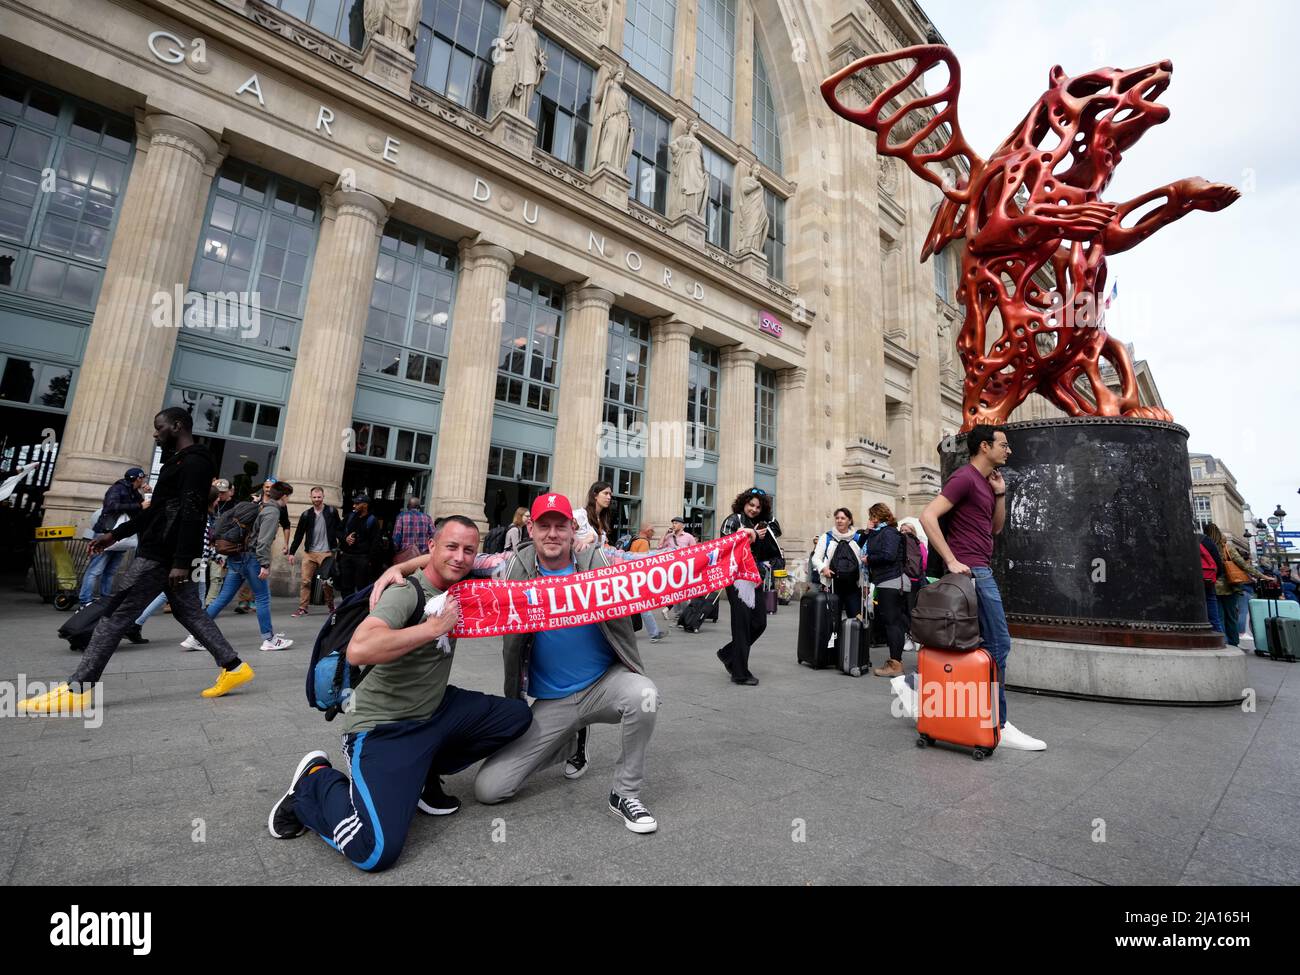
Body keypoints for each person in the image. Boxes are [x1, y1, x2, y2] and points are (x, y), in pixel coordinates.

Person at [268, 516, 533, 872]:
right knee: (374, 851)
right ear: (432, 547)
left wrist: (583, 543)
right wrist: (432, 629)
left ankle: (422, 774)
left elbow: (509, 563)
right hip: (382, 726)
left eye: (468, 550)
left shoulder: (464, 580)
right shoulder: (406, 591)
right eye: (450, 547)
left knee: (517, 716)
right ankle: (313, 782)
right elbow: (360, 649)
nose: (459, 557)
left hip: (435, 711)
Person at [19, 408, 254, 713]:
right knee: (190, 614)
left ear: (177, 426)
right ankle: (234, 668)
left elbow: (192, 512)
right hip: (165, 552)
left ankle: (78, 689)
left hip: (161, 556)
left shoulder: (195, 461)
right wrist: (115, 535)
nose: (156, 434)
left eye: (160, 428)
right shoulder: (182, 461)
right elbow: (156, 511)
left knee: (114, 615)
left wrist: (181, 561)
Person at [472, 493, 662, 833]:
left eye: (561, 526)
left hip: (604, 685)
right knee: (490, 789)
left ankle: (625, 793)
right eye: (544, 526)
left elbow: (657, 562)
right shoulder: (514, 566)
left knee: (644, 696)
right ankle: (571, 739)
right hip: (553, 701)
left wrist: (737, 543)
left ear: (573, 528)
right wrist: (400, 568)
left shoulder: (600, 560)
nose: (552, 534)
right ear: (531, 527)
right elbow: (461, 558)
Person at [920, 425, 1045, 751]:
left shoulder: (987, 483)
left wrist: (1000, 494)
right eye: (1003, 445)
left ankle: (982, 717)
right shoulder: (963, 477)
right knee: (999, 643)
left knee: (975, 645)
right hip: (972, 571)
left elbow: (996, 528)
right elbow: (928, 516)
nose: (1009, 450)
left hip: (981, 568)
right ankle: (998, 723)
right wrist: (950, 560)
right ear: (985, 446)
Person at [185, 482, 294, 652]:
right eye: (289, 497)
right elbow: (263, 542)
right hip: (252, 559)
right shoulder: (273, 511)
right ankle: (269, 639)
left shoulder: (260, 506)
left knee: (222, 598)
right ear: (284, 496)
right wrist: (264, 564)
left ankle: (196, 636)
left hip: (236, 557)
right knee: (263, 598)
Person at [717, 488, 782, 686]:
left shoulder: (761, 524)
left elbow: (776, 532)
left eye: (758, 506)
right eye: (750, 505)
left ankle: (729, 653)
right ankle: (740, 672)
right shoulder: (733, 519)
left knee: (759, 622)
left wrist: (761, 526)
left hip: (753, 577)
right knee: (742, 625)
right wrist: (749, 533)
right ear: (743, 503)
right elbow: (726, 543)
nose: (753, 509)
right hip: (736, 579)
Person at [79, 467, 148, 606]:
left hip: (120, 536)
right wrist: (138, 506)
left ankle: (105, 599)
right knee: (95, 569)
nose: (144, 480)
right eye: (143, 478)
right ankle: (85, 600)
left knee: (110, 570)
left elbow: (143, 508)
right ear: (138, 478)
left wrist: (146, 494)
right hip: (107, 531)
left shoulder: (134, 492)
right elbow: (111, 506)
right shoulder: (117, 489)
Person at [862, 503, 910, 677]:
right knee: (893, 623)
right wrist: (867, 533)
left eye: (871, 516)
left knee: (893, 624)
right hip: (887, 581)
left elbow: (888, 555)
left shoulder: (889, 532)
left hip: (892, 581)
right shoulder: (880, 532)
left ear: (877, 516)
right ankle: (896, 662)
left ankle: (895, 664)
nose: (869, 520)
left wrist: (869, 559)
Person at [1206, 522, 1264, 648]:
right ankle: (1233, 642)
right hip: (1229, 586)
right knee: (1231, 616)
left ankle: (1224, 641)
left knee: (1219, 617)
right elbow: (1243, 565)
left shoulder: (1206, 548)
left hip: (1213, 586)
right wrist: (1262, 576)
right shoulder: (1227, 548)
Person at [289, 486, 340, 617]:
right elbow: (299, 535)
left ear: (323, 497)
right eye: (314, 497)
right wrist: (292, 552)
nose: (317, 499)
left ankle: (330, 605)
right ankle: (303, 607)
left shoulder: (331, 511)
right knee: (305, 581)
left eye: (319, 497)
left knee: (326, 582)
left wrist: (343, 543)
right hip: (310, 552)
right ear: (310, 497)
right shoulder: (306, 514)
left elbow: (339, 529)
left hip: (327, 552)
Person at [811, 507, 864, 620]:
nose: (839, 520)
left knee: (856, 618)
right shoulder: (826, 537)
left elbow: (863, 562)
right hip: (832, 584)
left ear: (849, 521)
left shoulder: (858, 538)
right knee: (832, 619)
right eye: (837, 518)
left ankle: (853, 637)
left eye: (843, 518)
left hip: (853, 585)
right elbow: (816, 559)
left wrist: (865, 585)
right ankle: (833, 638)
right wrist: (823, 569)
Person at [337, 494, 381, 599]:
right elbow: (338, 531)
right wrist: (345, 538)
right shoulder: (350, 516)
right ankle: (346, 607)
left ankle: (358, 609)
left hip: (362, 558)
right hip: (347, 556)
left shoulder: (372, 520)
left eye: (357, 504)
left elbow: (375, 542)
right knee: (346, 585)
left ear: (365, 505)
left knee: (362, 585)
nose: (354, 506)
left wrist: (370, 560)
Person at [898, 516, 930, 652]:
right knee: (903, 610)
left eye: (907, 530)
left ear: (913, 532)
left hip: (912, 581)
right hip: (904, 581)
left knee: (910, 610)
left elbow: (923, 564)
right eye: (902, 530)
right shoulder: (918, 544)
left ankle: (914, 636)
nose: (904, 533)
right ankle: (910, 636)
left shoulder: (919, 544)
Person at [658, 516, 697, 621]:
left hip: (684, 567)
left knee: (683, 591)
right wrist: (665, 534)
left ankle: (682, 613)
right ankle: (678, 614)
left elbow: (695, 551)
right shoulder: (670, 536)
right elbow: (660, 547)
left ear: (682, 525)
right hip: (672, 568)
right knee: (675, 590)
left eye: (676, 523)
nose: (673, 525)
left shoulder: (688, 537)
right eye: (673, 523)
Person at [1197, 527, 1226, 635]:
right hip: (1206, 579)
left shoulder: (1179, 539)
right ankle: (1217, 634)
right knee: (1211, 604)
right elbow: (1218, 563)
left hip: (1187, 581)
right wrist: (1214, 577)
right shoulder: (1205, 540)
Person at [391, 495, 434, 563]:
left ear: (408, 506)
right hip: (422, 557)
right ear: (419, 507)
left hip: (405, 556)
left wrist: (397, 551)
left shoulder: (401, 517)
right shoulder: (427, 518)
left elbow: (396, 538)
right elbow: (433, 536)